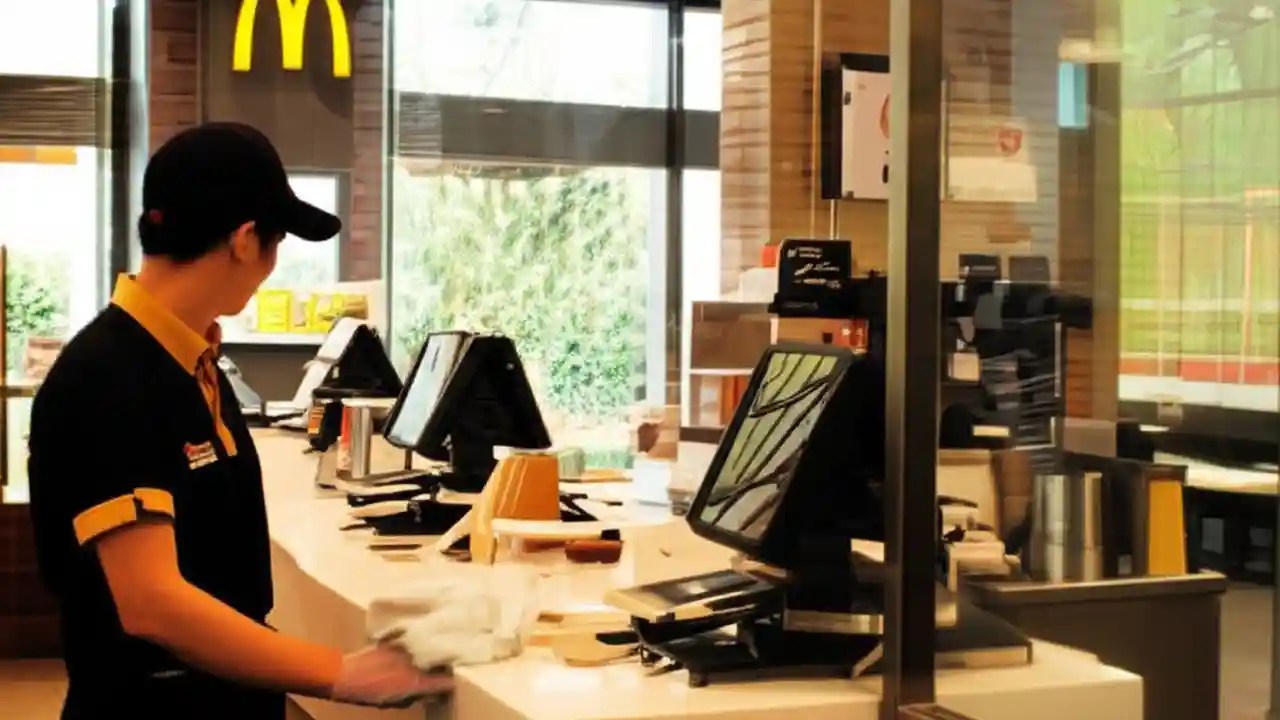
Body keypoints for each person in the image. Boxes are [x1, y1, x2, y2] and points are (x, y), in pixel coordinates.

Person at [27, 122, 450, 719]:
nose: (273, 266)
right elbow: (152, 602)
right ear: (246, 239)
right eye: (278, 244)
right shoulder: (107, 377)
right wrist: (344, 673)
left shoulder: (193, 361)